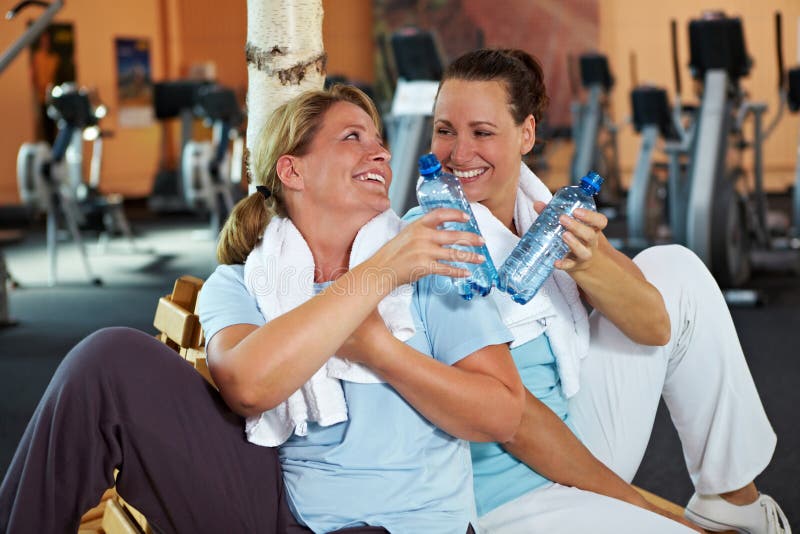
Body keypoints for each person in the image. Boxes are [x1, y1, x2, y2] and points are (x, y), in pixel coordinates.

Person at [0, 85, 525, 533]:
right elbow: (249, 387)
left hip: (409, 522)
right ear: (292, 171)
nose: (381, 153)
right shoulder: (241, 283)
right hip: (280, 510)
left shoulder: (431, 266)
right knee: (106, 358)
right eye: (352, 138)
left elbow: (502, 414)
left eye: (379, 141)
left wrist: (381, 350)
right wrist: (377, 275)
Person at [405, 48, 791, 534]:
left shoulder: (539, 211)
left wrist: (589, 266)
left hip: (571, 432)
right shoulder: (439, 240)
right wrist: (647, 509)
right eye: (445, 130)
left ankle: (734, 501)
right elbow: (517, 423)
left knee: (673, 266)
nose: (458, 154)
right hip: (511, 492)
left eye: (481, 132)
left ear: (526, 133)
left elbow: (657, 328)